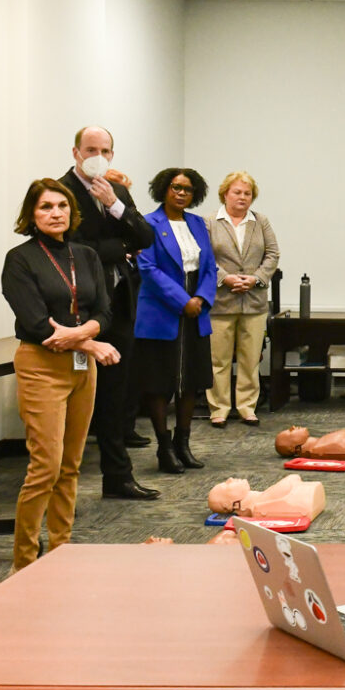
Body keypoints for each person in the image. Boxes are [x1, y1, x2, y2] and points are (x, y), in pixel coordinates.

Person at [1, 179, 119, 570]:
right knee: (45, 467)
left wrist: (82, 335)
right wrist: (90, 343)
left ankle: (61, 553)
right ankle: (24, 562)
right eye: (46, 207)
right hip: (41, 366)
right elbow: (37, 324)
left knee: (71, 465)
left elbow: (104, 312)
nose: (56, 214)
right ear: (31, 215)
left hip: (81, 369)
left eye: (62, 206)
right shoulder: (20, 259)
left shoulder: (84, 255)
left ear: (72, 212)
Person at [62, 127, 156, 500]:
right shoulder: (60, 192)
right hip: (81, 307)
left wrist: (116, 206)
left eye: (104, 150)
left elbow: (145, 238)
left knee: (117, 395)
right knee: (83, 398)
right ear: (76, 152)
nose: (97, 155)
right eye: (90, 149)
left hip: (121, 300)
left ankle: (118, 478)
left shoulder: (116, 190)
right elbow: (75, 248)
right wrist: (120, 245)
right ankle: (64, 486)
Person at [135, 167, 220, 473]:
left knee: (192, 383)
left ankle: (184, 445)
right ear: (164, 190)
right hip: (162, 311)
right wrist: (183, 301)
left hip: (197, 312)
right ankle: (164, 447)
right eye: (175, 187)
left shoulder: (198, 224)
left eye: (187, 189)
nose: (181, 193)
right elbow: (147, 269)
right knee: (160, 383)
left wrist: (201, 299)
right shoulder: (148, 223)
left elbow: (210, 266)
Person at [206, 170, 278, 427]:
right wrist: (225, 277)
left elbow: (272, 254)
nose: (242, 197)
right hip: (220, 302)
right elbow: (204, 258)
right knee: (218, 360)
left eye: (247, 194)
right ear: (225, 194)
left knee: (250, 359)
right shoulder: (209, 222)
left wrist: (256, 278)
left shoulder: (261, 221)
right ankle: (219, 409)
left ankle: (247, 407)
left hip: (254, 302)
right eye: (237, 192)